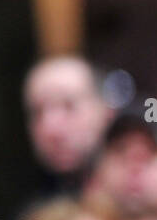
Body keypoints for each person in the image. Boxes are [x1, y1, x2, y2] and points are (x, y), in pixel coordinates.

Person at [23, 55, 113, 198]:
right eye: (37, 112)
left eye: (68, 106)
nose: (50, 129)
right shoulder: (32, 213)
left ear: (107, 112)